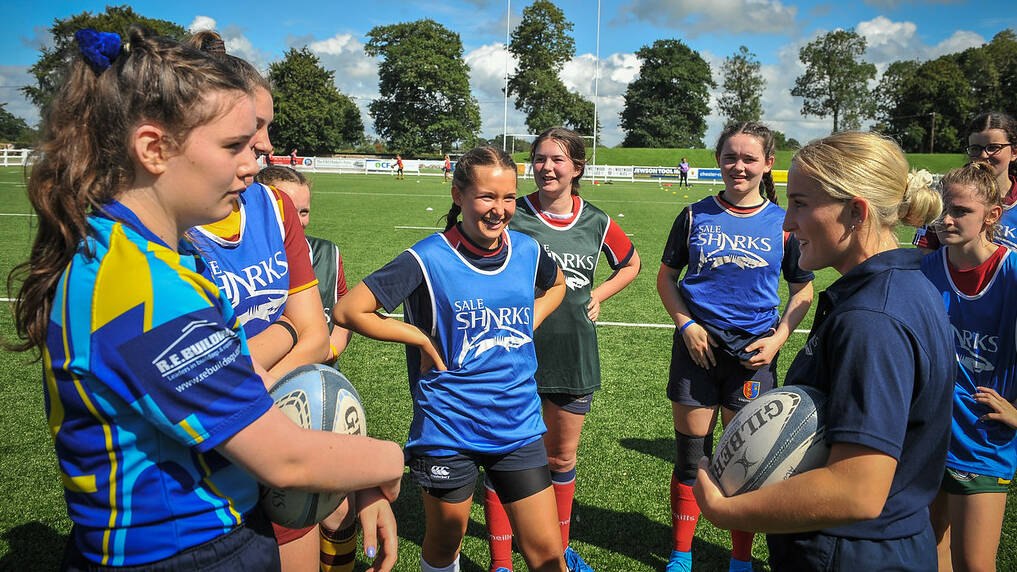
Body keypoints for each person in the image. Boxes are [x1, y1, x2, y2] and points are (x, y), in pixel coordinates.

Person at [7, 27, 403, 571]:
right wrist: (391, 458)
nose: (252, 164)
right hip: (183, 550)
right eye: (232, 145)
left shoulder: (143, 256)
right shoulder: (138, 287)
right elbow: (284, 458)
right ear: (153, 148)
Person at [693, 131, 954, 572]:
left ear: (856, 211)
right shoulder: (905, 287)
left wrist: (723, 511)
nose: (786, 224)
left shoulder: (872, 318)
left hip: (851, 554)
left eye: (800, 203)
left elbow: (857, 490)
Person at [334, 146, 569, 572]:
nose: (499, 210)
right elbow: (349, 310)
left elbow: (558, 286)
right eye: (487, 197)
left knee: (547, 555)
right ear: (458, 196)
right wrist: (420, 340)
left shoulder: (528, 251)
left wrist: (526, 320)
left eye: (509, 198)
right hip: (448, 428)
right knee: (445, 543)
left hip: (518, 425)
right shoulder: (427, 258)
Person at [656, 122, 815, 572]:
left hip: (753, 356)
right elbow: (666, 278)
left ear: (768, 164)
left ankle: (740, 559)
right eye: (730, 157)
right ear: (718, 159)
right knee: (691, 455)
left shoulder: (783, 224)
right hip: (697, 349)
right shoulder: (693, 215)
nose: (738, 166)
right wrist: (685, 323)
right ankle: (681, 554)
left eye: (749, 158)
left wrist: (779, 336)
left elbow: (802, 290)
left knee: (749, 461)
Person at [484, 126, 641, 572]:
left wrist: (601, 293)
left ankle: (559, 550)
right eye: (539, 158)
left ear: (577, 167)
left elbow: (631, 263)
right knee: (505, 454)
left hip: (573, 354)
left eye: (556, 159)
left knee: (560, 457)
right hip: (513, 352)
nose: (546, 167)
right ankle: (501, 561)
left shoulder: (595, 220)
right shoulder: (513, 214)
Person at [921, 161, 1016, 572]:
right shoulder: (925, 269)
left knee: (974, 564)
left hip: (983, 438)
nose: (947, 219)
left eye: (960, 211)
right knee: (928, 553)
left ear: (992, 215)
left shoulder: (1012, 273)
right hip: (931, 431)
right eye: (944, 207)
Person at [255, 166, 353, 368]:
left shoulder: (327, 253)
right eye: (289, 210)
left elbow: (344, 309)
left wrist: (331, 349)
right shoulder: (250, 265)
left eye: (304, 212)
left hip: (318, 375)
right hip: (262, 378)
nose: (297, 220)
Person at [914, 111, 1017, 251]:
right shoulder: (945, 195)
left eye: (993, 148)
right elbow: (924, 257)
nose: (983, 155)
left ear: (1014, 152)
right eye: (975, 149)